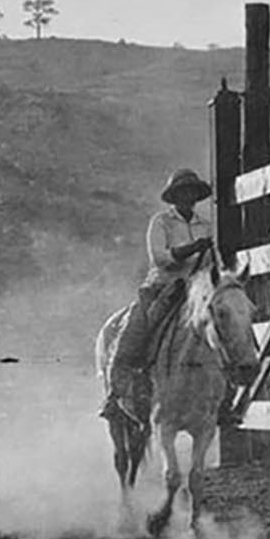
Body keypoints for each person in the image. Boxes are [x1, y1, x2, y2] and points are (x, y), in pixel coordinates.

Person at [103, 168, 215, 423]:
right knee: (136, 331)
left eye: (192, 192)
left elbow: (210, 262)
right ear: (174, 196)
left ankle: (227, 394)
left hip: (197, 291)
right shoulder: (161, 222)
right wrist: (192, 248)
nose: (187, 196)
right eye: (182, 192)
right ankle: (115, 394)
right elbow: (160, 258)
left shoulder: (207, 226)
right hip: (163, 288)